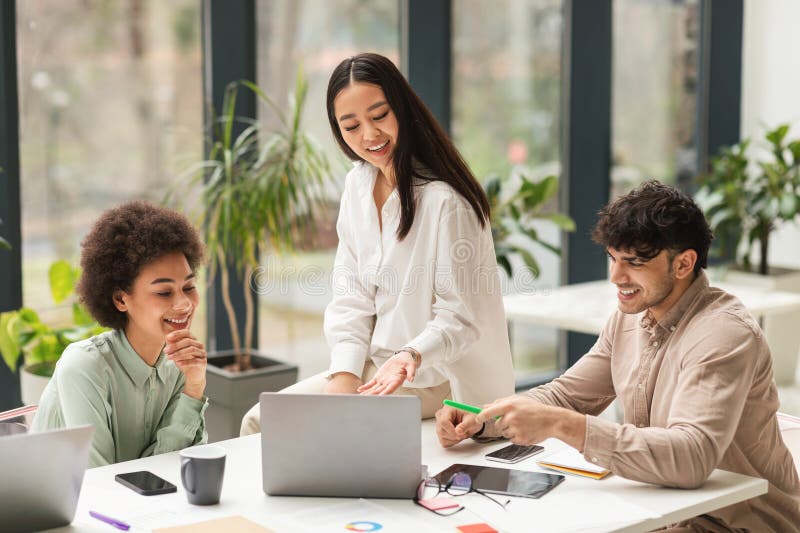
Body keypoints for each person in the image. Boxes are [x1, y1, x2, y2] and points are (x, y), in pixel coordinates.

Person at [436, 181, 800, 532]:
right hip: (663, 510)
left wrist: (563, 425)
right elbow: (565, 396)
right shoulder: (630, 320)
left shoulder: (723, 333)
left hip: (736, 524)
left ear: (684, 264)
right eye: (612, 258)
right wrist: (484, 418)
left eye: (634, 262)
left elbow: (692, 457)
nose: (615, 276)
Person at [240, 52, 514, 435]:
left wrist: (409, 355)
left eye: (379, 116)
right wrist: (344, 373)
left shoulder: (446, 202)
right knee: (258, 422)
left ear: (402, 108)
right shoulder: (358, 184)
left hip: (435, 376)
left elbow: (460, 316)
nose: (368, 135)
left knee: (307, 429)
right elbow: (351, 293)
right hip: (378, 370)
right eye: (350, 125)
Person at [32, 201, 209, 467]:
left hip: (140, 506)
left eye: (189, 286)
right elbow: (100, 483)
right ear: (120, 299)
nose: (184, 303)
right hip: (57, 507)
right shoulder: (84, 368)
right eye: (164, 292)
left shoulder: (178, 367)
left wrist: (194, 389)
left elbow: (172, 468)